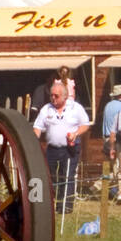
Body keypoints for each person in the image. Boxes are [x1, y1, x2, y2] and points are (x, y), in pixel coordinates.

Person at [32, 80, 90, 214]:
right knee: (50, 177)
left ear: (64, 96)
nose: (53, 98)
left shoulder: (76, 108)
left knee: (67, 176)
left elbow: (85, 124)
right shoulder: (46, 109)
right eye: (51, 95)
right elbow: (37, 127)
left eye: (56, 96)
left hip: (70, 148)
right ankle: (51, 205)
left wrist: (76, 134)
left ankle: (66, 206)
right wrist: (33, 140)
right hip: (52, 148)